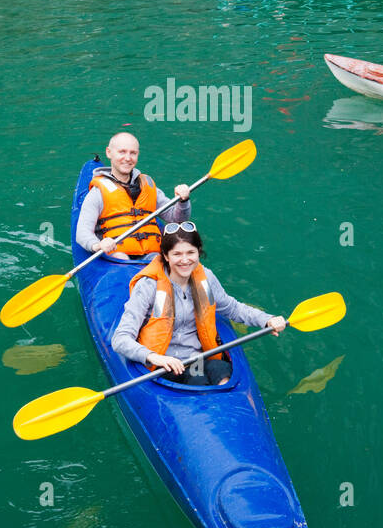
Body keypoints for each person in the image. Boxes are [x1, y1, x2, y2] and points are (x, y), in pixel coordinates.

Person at [111, 223, 286, 386]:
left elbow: (232, 308)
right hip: (161, 365)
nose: (185, 260)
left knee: (223, 372)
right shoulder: (149, 286)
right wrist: (154, 357)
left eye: (190, 253)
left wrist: (267, 320)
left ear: (198, 252)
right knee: (199, 380)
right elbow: (120, 339)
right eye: (177, 254)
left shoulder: (206, 279)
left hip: (198, 358)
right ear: (165, 256)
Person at [76, 131, 191, 260]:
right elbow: (82, 232)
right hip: (116, 255)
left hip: (151, 254)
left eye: (133, 153)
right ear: (109, 153)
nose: (128, 158)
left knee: (157, 259)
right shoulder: (97, 193)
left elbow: (177, 219)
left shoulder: (147, 185)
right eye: (122, 152)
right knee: (121, 257)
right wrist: (97, 245)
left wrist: (183, 201)